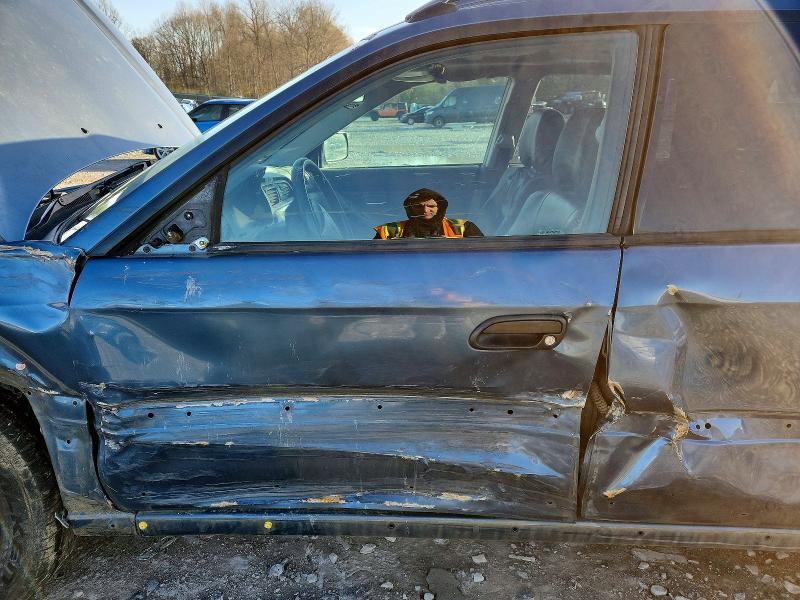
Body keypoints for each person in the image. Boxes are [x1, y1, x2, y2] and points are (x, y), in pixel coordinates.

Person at [373, 188, 483, 239]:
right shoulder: (389, 231)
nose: (425, 210)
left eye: (431, 206)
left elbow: (481, 260)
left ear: (440, 208)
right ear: (410, 209)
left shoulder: (465, 227)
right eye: (418, 206)